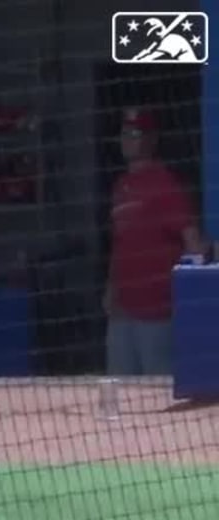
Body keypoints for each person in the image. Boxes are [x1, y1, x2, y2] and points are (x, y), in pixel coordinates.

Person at [105, 107, 205, 375]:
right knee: (120, 391)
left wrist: (187, 299)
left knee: (156, 395)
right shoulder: (120, 186)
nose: (128, 139)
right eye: (125, 133)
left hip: (156, 313)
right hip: (122, 311)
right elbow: (120, 243)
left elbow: (193, 242)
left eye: (135, 133)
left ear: (152, 139)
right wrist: (110, 290)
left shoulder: (165, 184)